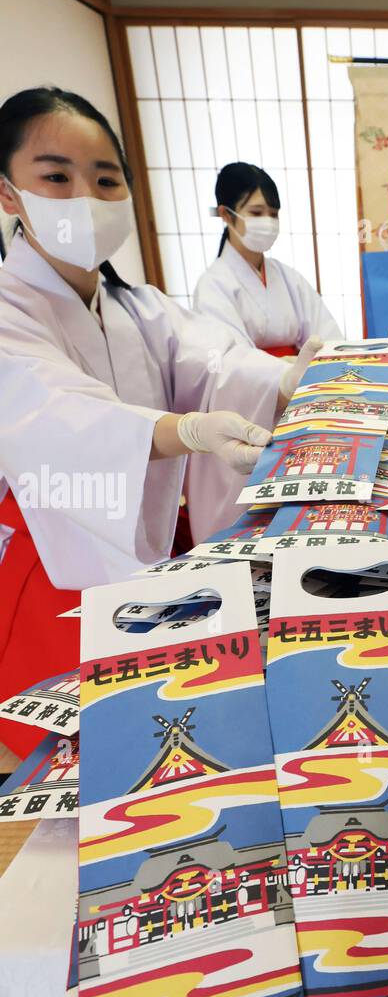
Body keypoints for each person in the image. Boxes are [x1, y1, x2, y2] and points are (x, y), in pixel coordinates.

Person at [0, 88, 318, 753]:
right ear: (8, 193)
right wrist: (187, 431)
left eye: (105, 179)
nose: (85, 197)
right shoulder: (9, 311)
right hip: (54, 549)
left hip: (149, 525)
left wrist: (284, 378)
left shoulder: (136, 304)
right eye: (56, 177)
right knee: (96, 745)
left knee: (182, 716)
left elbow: (213, 360)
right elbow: (56, 412)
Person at [192, 161, 341, 355]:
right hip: (251, 376)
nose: (268, 221)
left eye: (273, 214)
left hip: (304, 373)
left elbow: (328, 337)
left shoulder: (289, 278)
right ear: (226, 214)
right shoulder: (213, 285)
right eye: (256, 213)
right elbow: (231, 359)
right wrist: (284, 369)